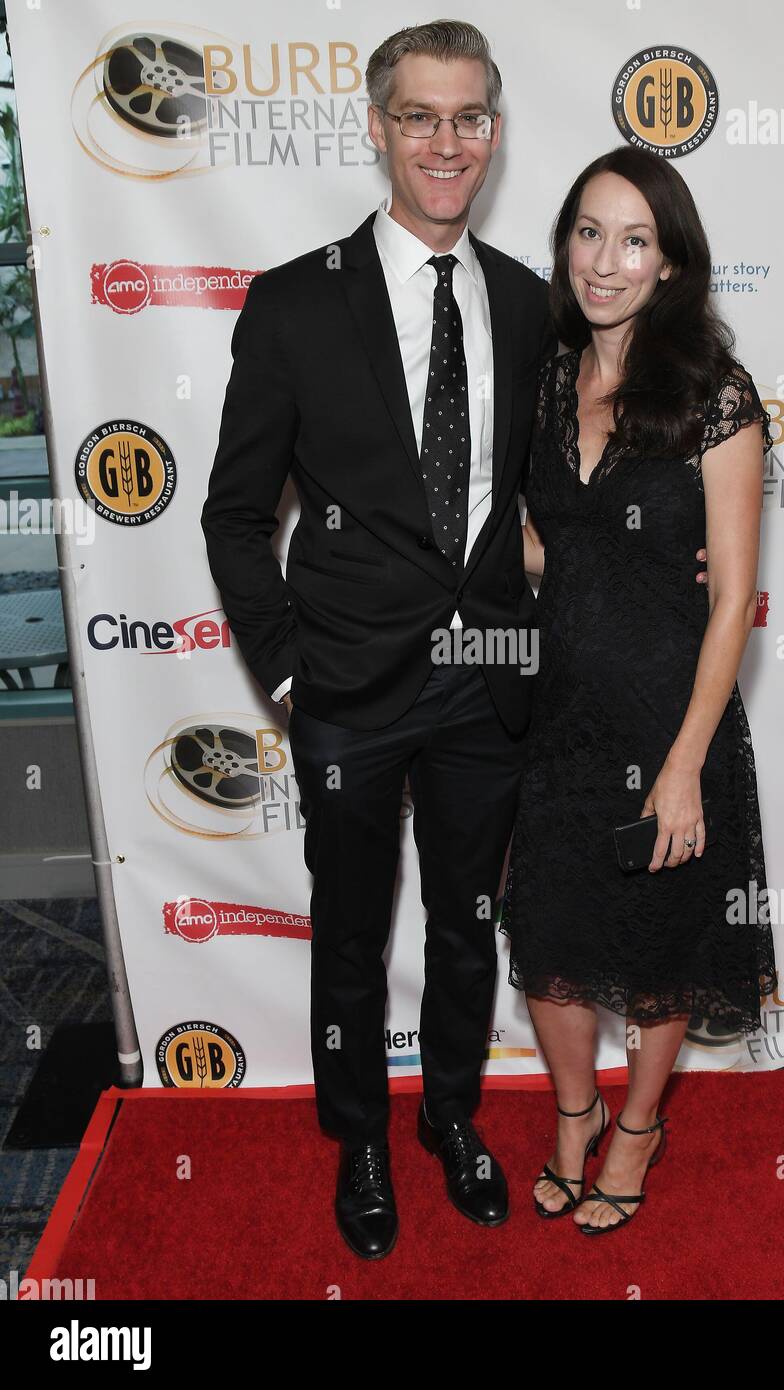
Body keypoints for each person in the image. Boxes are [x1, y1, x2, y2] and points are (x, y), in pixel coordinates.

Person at [202, 20, 708, 1261]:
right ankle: (360, 1138)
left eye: (469, 117)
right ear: (377, 126)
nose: (445, 142)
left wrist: (663, 543)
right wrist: (282, 670)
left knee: (465, 925)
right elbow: (230, 512)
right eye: (420, 116)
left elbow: (578, 480)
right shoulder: (289, 305)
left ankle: (449, 1119)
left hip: (492, 683)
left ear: (492, 132)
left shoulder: (534, 306)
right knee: (347, 932)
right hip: (348, 689)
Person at [499, 145, 779, 1234]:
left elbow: (732, 601)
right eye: (585, 232)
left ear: (670, 264)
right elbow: (552, 549)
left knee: (660, 946)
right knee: (552, 941)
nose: (603, 262)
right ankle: (573, 1116)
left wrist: (682, 765)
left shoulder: (715, 395)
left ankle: (638, 1127)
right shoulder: (547, 383)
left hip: (673, 719)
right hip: (558, 717)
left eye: (632, 239)